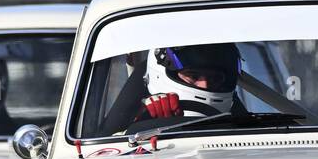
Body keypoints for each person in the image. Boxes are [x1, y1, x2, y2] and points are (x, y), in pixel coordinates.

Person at [104, 43, 244, 131]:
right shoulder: (118, 142)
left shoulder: (247, 130)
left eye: (215, 79)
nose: (205, 86)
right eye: (193, 76)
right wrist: (144, 124)